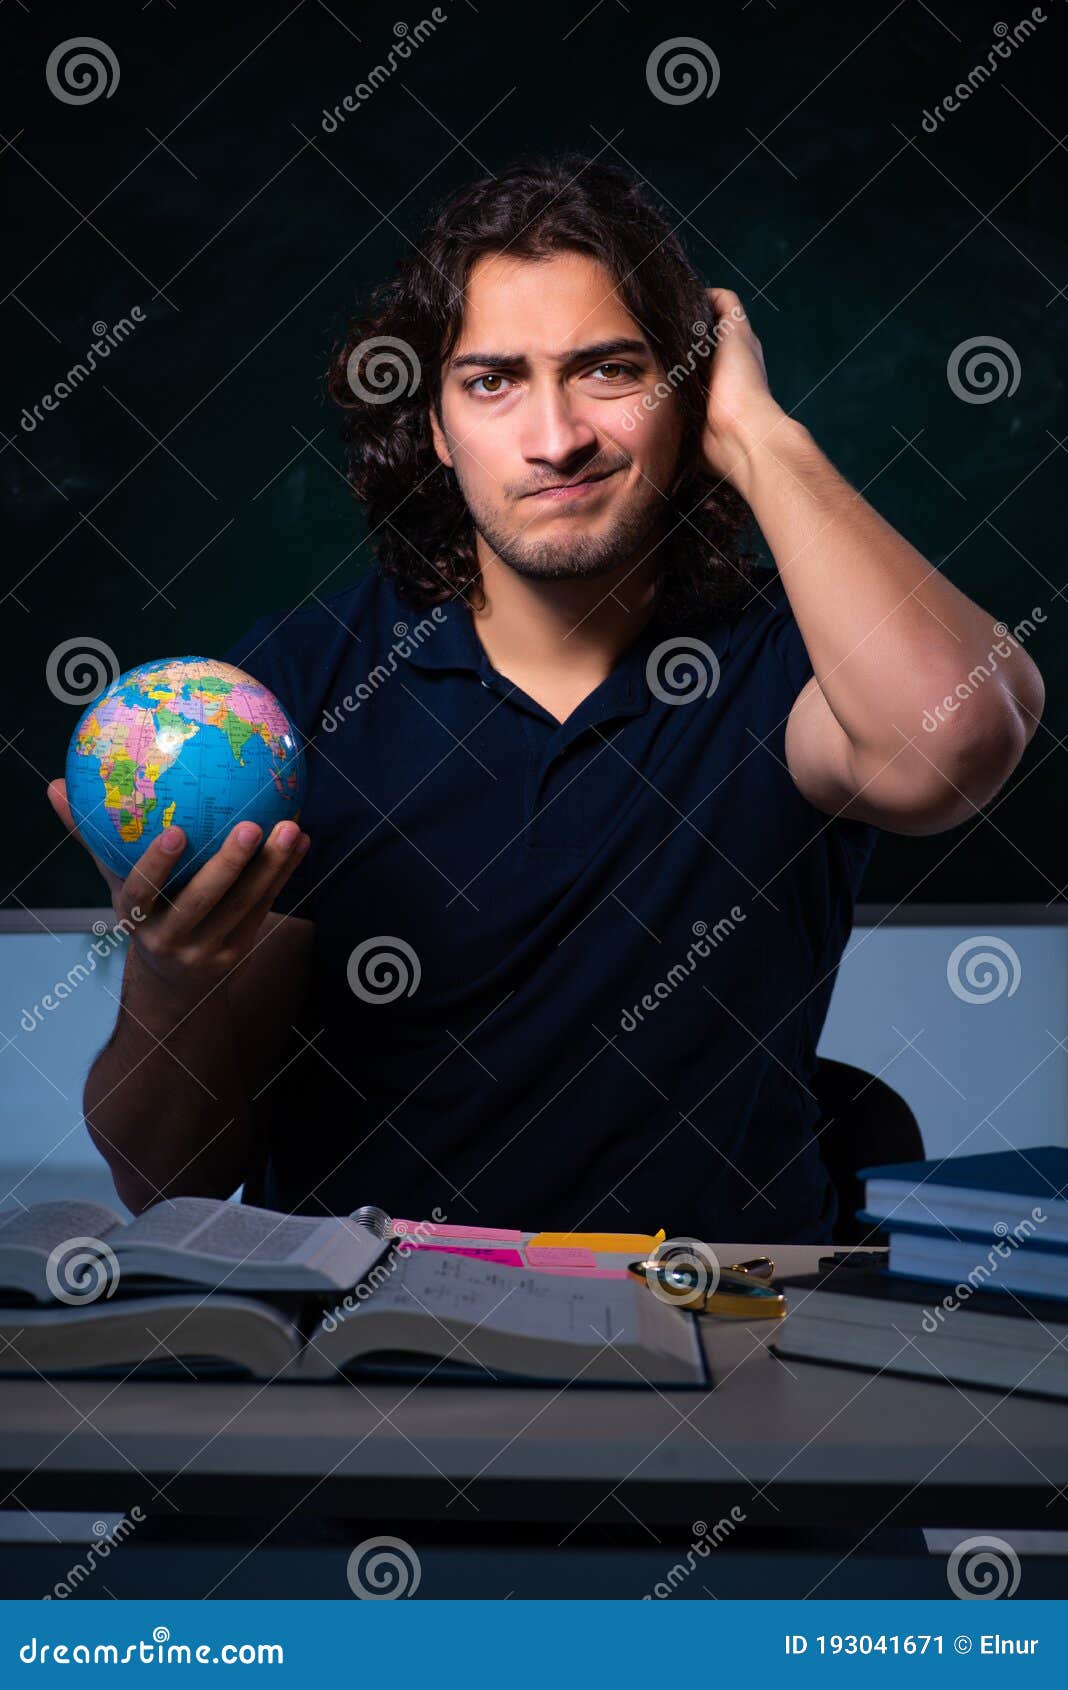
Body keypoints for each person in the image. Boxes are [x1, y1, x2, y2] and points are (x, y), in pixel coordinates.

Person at [49, 153, 1044, 1242]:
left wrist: (762, 438)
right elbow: (167, 1176)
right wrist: (172, 973)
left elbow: (955, 744)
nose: (557, 436)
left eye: (610, 371)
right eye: (492, 381)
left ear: (687, 396)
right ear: (433, 424)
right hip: (368, 1363)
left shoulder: (786, 665)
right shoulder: (295, 695)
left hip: (733, 1349)